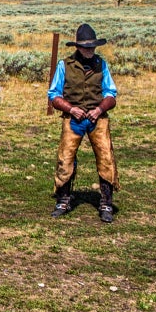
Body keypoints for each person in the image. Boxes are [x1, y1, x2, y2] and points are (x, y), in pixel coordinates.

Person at [47, 23, 120, 222]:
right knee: (66, 158)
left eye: (92, 47)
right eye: (86, 47)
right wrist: (71, 109)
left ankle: (106, 203)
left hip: (98, 119)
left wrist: (99, 109)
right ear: (77, 47)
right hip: (73, 119)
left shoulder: (101, 64)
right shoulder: (65, 65)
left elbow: (111, 93)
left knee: (106, 157)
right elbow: (54, 94)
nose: (89, 50)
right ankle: (63, 200)